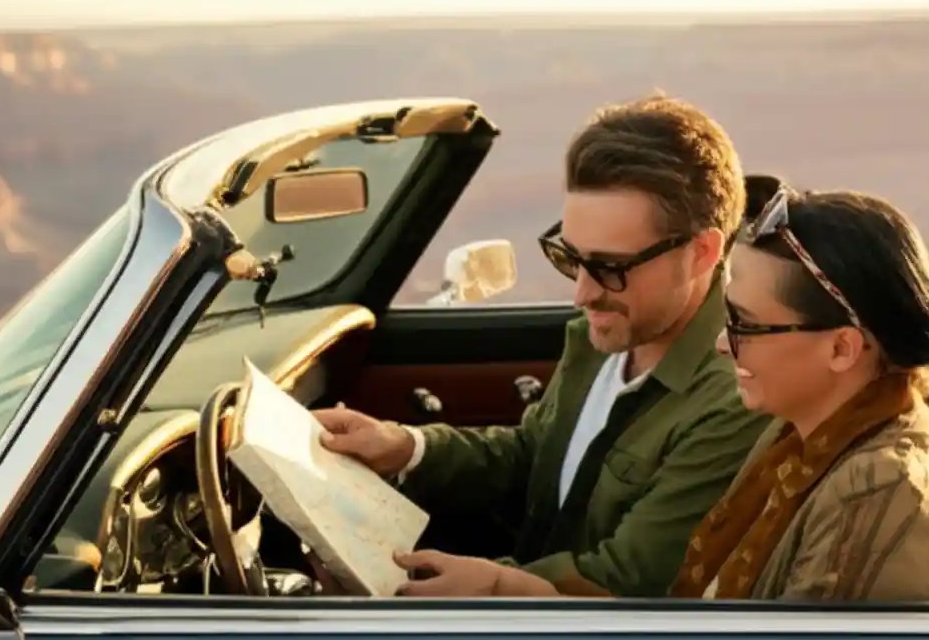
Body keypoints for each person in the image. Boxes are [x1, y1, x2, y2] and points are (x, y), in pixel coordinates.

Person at [392, 182, 929, 601]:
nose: (721, 346)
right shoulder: (804, 440)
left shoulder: (881, 491)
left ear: (842, 349)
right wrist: (504, 588)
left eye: (747, 327)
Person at [314, 94, 771, 597]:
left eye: (610, 268)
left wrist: (487, 587)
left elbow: (626, 582)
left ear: (702, 252)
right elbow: (535, 454)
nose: (582, 293)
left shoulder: (737, 396)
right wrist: (405, 448)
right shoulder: (610, 332)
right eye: (569, 257)